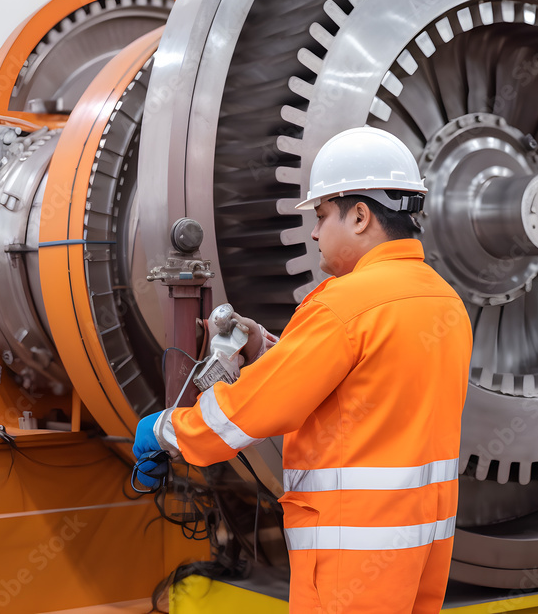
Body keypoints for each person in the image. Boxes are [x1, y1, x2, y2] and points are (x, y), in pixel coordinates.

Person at [133, 126, 472, 613]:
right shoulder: (443, 300)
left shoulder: (344, 305)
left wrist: (166, 431)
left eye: (321, 215)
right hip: (419, 548)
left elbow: (249, 412)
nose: (314, 233)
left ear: (360, 216)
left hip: (351, 556)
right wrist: (266, 347)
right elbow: (362, 387)